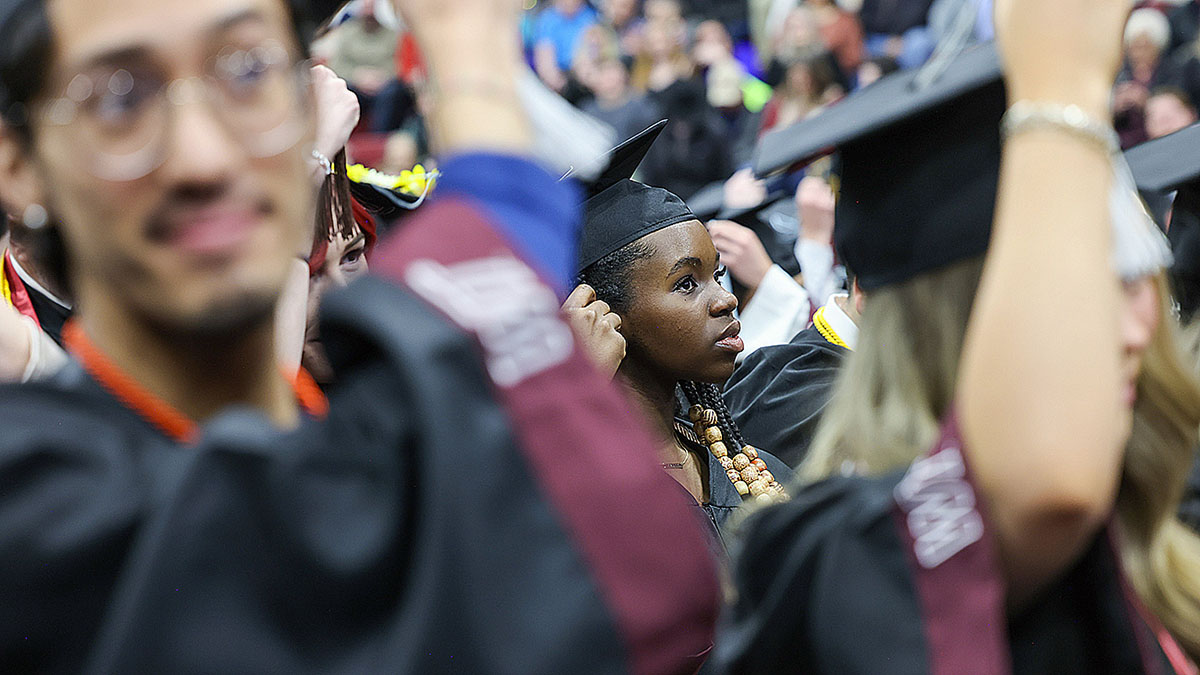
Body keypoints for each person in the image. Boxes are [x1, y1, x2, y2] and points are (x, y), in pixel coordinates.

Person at [0, 0, 721, 671]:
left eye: (249, 70)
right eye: (119, 97)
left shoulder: (350, 441)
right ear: (18, 166)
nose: (204, 157)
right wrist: (468, 55)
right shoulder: (34, 510)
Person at [718, 9, 1200, 668]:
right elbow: (1043, 485)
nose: (1141, 325)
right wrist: (1061, 86)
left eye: (1131, 278)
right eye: (1088, 285)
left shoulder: (1164, 529)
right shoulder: (825, 564)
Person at [568, 122, 792, 539]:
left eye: (717, 275)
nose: (725, 299)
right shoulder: (573, 493)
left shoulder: (749, 471)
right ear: (602, 313)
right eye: (686, 283)